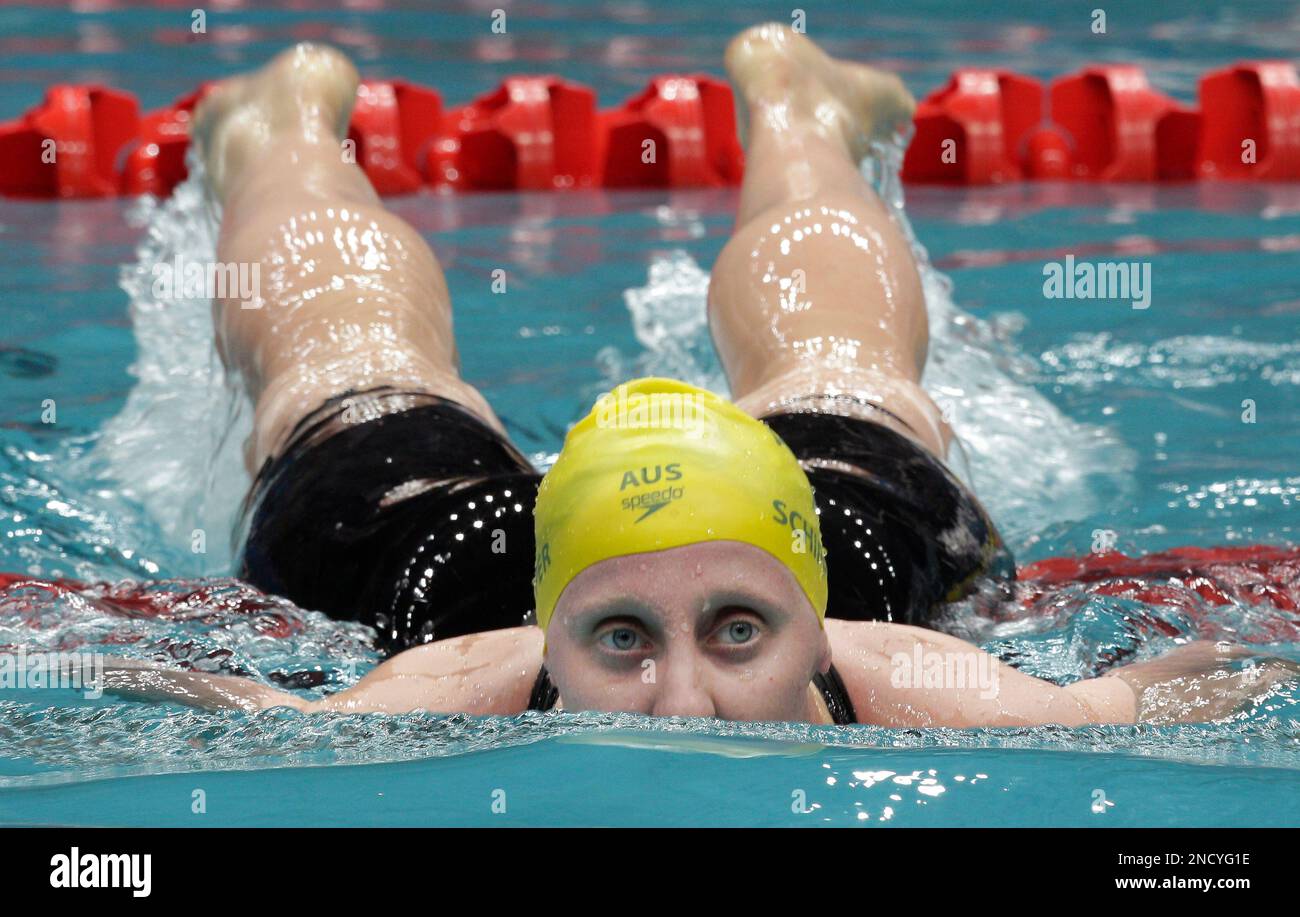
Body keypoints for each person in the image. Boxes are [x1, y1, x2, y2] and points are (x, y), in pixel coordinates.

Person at [106, 24, 1292, 726]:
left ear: (818, 630)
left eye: (739, 629)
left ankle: (795, 100)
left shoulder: (911, 675)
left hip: (827, 528)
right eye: (618, 637)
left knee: (845, 361)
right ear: (547, 635)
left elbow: (1154, 697)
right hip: (449, 555)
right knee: (339, 365)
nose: (684, 701)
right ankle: (276, 128)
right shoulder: (457, 676)